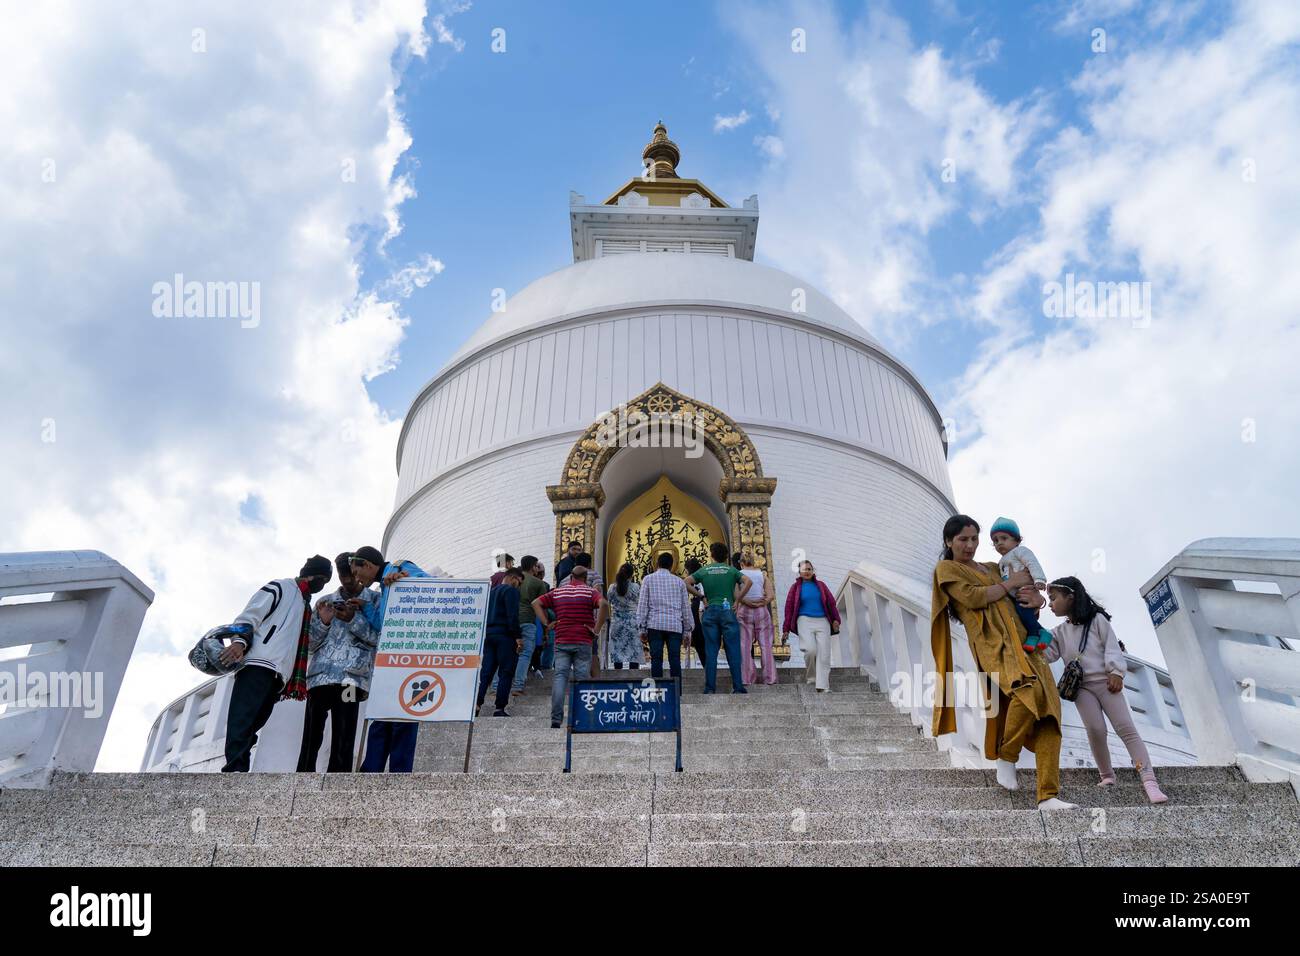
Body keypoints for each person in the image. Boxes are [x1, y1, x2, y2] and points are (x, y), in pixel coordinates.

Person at [931, 515, 1076, 810]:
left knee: (1049, 713)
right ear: (948, 541)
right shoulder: (947, 568)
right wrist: (1015, 582)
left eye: (974, 539)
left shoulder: (993, 567)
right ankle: (1006, 755)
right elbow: (973, 598)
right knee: (1026, 691)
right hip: (992, 643)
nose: (970, 545)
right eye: (963, 539)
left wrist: (1035, 601)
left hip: (1024, 642)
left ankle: (1048, 795)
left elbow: (1019, 602)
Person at [1044, 576, 1169, 803]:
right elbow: (1049, 656)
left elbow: (1112, 647)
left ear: (1070, 597)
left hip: (1106, 682)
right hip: (1081, 688)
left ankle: (1149, 780)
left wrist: (1115, 672)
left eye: (1053, 598)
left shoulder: (1097, 620)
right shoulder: (1058, 632)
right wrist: (1034, 640)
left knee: (1126, 729)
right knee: (1095, 730)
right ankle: (1106, 775)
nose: (1050, 604)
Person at [219, 555, 333, 772]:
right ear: (310, 573)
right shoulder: (281, 587)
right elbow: (250, 615)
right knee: (242, 719)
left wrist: (324, 620)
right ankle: (234, 769)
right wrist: (240, 642)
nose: (322, 584)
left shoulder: (305, 606)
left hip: (279, 674)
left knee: (255, 723)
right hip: (258, 662)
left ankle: (240, 766)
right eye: (321, 578)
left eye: (326, 581)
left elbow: (305, 645)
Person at [350, 545, 430, 773]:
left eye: (357, 572)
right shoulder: (385, 587)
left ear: (368, 564)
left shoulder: (400, 568)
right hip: (391, 657)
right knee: (383, 711)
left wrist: (406, 581)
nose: (357, 578)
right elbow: (382, 624)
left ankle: (399, 771)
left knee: (404, 713)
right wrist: (365, 607)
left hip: (409, 652)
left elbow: (432, 586)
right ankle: (371, 769)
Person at [296, 553, 378, 772]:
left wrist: (353, 619)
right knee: (312, 734)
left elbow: (378, 638)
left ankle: (338, 779)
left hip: (351, 679)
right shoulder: (324, 601)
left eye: (350, 575)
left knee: (344, 732)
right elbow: (310, 644)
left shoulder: (374, 601)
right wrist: (323, 621)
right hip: (320, 679)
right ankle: (302, 777)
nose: (347, 581)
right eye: (343, 577)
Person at [534, 564, 607, 729]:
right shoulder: (590, 592)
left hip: (562, 640)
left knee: (560, 677)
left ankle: (556, 718)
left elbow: (535, 603)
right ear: (586, 578)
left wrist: (546, 623)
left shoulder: (558, 592)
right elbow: (604, 605)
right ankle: (581, 717)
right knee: (582, 678)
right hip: (583, 640)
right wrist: (596, 629)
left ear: (571, 577)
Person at [688, 541, 751, 694]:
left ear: (712, 555)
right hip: (727, 610)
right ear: (725, 555)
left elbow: (686, 582)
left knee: (711, 651)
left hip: (710, 612)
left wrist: (701, 596)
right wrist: (738, 600)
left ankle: (710, 688)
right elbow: (748, 581)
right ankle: (738, 686)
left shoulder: (704, 570)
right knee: (733, 650)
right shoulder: (731, 570)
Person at [989, 517, 1052, 652]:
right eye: (995, 540)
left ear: (1017, 540)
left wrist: (1039, 579)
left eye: (1004, 538)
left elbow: (1032, 563)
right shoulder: (1000, 562)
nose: (999, 543)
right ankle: (1042, 632)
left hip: (1025, 589)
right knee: (1021, 612)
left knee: (1023, 609)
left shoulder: (1020, 551)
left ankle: (1034, 634)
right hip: (1014, 593)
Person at [781, 560, 841, 693]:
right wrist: (785, 629)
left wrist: (836, 620)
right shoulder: (795, 588)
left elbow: (831, 603)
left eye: (809, 569)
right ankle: (812, 677)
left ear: (813, 571)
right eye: (804, 569)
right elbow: (789, 609)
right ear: (799, 572)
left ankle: (823, 685)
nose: (807, 571)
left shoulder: (821, 586)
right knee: (810, 650)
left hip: (823, 621)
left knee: (824, 654)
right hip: (804, 620)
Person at [637, 552, 693, 680]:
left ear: (657, 564)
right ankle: (676, 693)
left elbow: (642, 605)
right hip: (675, 625)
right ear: (672, 565)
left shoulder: (648, 579)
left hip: (654, 624)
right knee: (675, 659)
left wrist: (642, 628)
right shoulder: (679, 582)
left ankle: (658, 691)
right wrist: (687, 630)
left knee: (656, 659)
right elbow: (685, 607)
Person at [477, 567, 524, 717]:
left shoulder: (491, 592)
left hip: (489, 635)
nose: (519, 585)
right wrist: (518, 636)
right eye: (519, 582)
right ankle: (499, 708)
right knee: (506, 671)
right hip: (505, 636)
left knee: (486, 673)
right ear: (512, 578)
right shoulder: (511, 591)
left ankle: (477, 705)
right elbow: (512, 616)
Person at [512, 556, 551, 696]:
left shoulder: (514, 579)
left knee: (508, 653)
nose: (537, 569)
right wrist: (546, 627)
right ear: (533, 566)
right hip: (528, 620)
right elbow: (542, 607)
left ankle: (495, 687)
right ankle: (517, 686)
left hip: (512, 621)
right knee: (526, 653)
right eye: (536, 566)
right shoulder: (538, 583)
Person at [737, 552, 777, 686]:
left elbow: (736, 595)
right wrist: (761, 603)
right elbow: (770, 595)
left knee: (745, 646)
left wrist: (747, 602)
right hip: (761, 611)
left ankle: (747, 678)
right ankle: (769, 678)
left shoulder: (739, 575)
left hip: (744, 610)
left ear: (741, 563)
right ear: (753, 562)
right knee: (766, 645)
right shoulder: (762, 574)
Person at [606, 563, 644, 669]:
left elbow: (608, 602)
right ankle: (633, 676)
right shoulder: (635, 587)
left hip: (617, 621)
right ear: (631, 575)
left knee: (617, 651)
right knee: (634, 651)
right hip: (632, 622)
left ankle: (617, 677)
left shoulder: (612, 587)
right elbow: (640, 603)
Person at [684, 557, 706, 669]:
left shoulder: (692, 583)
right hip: (700, 614)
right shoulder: (703, 580)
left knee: (700, 643)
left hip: (697, 614)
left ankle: (707, 667)